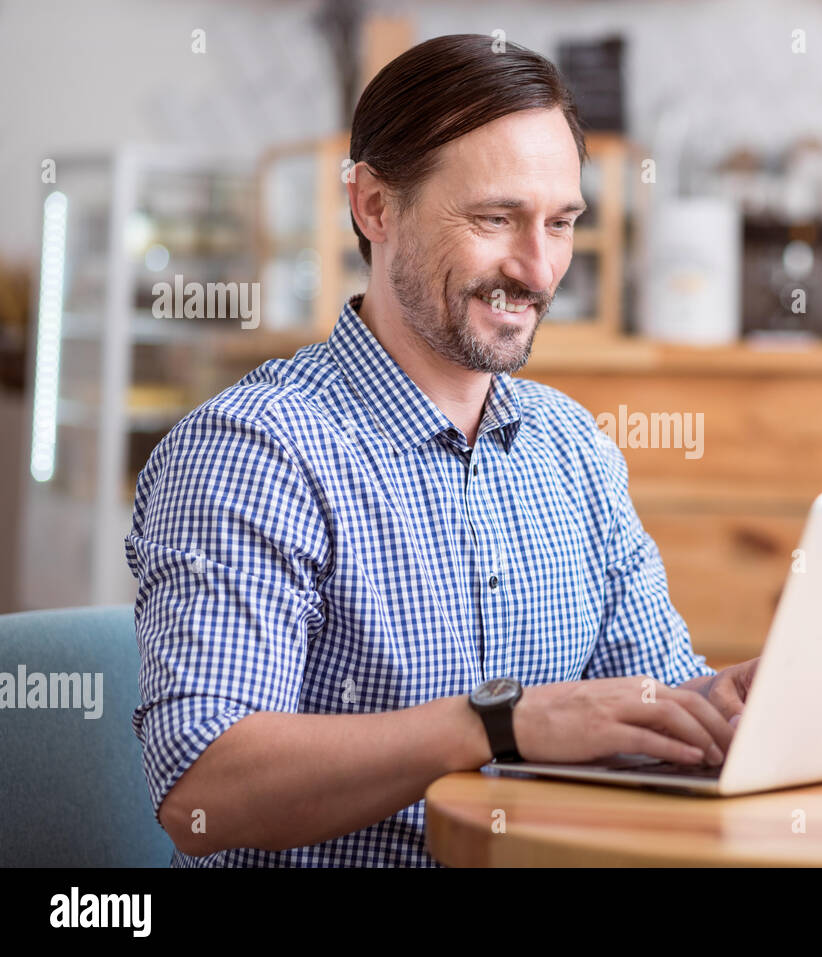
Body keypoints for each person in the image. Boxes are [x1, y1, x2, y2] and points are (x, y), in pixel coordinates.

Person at [124, 33, 757, 867]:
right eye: (496, 218)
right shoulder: (255, 450)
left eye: (561, 223)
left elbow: (649, 698)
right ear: (374, 207)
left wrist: (731, 702)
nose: (537, 269)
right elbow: (204, 789)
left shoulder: (572, 448)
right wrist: (497, 722)